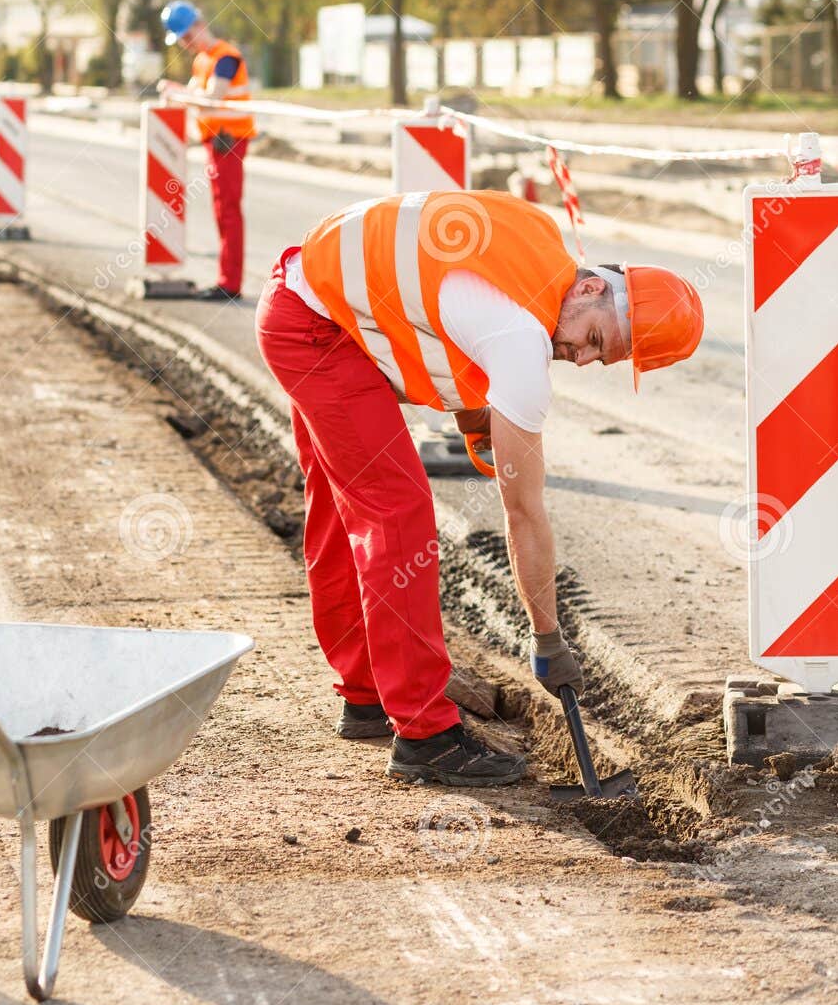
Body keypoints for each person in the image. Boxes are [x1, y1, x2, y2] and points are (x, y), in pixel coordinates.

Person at [255, 189, 704, 789]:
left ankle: (365, 696)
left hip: (310, 298)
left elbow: (449, 308)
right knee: (397, 514)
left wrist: (477, 417)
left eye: (602, 361)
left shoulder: (538, 247)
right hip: (317, 330)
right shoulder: (521, 339)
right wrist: (547, 637)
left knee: (344, 511)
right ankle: (425, 736)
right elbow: (524, 513)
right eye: (596, 341)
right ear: (595, 288)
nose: (579, 358)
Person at [160, 0, 255, 302]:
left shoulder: (225, 57)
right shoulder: (203, 60)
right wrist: (178, 92)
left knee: (227, 211)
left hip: (229, 141)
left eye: (187, 36)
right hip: (216, 142)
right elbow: (195, 95)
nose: (186, 44)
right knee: (221, 210)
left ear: (200, 26)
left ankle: (229, 283)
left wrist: (179, 93)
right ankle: (226, 280)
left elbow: (213, 97)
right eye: (182, 40)